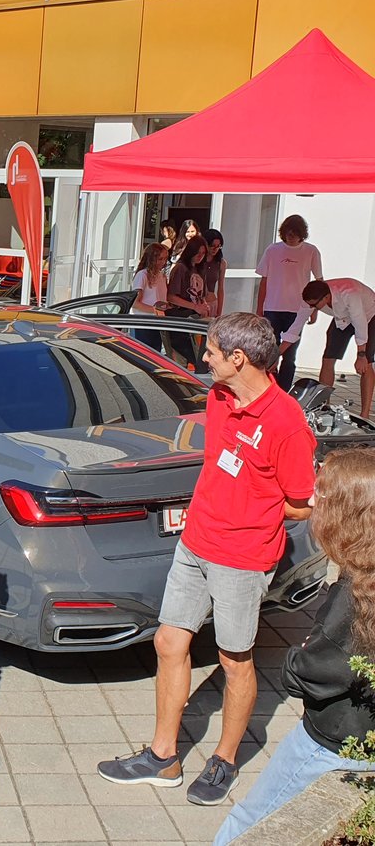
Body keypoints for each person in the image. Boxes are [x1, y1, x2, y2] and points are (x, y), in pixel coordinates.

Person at [98, 313, 316, 807]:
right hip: (196, 543)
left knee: (233, 659)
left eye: (213, 353)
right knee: (168, 640)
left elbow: (302, 502)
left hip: (243, 557)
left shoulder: (286, 424)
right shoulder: (218, 397)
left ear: (238, 359)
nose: (205, 359)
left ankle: (224, 759)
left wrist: (256, 503)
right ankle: (162, 758)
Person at [215, 449, 375, 844]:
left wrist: (293, 658)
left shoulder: (353, 596)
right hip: (360, 739)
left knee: (246, 824)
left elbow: (315, 671)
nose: (312, 502)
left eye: (322, 496)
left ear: (346, 514)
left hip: (328, 744)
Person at [279, 277, 375, 418]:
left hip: (370, 316)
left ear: (326, 297)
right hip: (342, 318)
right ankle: (323, 407)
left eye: (315, 306)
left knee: (366, 363)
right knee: (328, 359)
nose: (312, 308)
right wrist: (277, 355)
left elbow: (359, 322)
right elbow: (295, 327)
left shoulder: (350, 293)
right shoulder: (311, 298)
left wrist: (361, 354)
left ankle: (365, 414)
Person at [256, 214, 324, 391]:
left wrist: (315, 309)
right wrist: (259, 309)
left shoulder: (311, 251)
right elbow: (264, 280)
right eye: (287, 233)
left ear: (302, 234)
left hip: (298, 309)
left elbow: (319, 282)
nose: (290, 236)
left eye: (294, 233)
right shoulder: (272, 250)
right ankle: (268, 388)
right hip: (272, 307)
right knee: (269, 351)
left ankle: (284, 390)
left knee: (290, 355)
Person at [165, 235, 212, 371]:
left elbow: (201, 295)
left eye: (203, 253)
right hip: (181, 319)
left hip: (195, 317)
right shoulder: (180, 268)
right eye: (198, 252)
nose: (200, 256)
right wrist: (195, 307)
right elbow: (171, 297)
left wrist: (203, 306)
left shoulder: (199, 269)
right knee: (185, 360)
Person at [131, 242, 170, 354]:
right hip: (143, 322)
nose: (163, 262)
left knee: (155, 354)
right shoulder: (142, 275)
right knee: (143, 354)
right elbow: (135, 303)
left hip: (157, 321)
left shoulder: (162, 276)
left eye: (165, 259)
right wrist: (155, 310)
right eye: (160, 259)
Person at [203, 229, 227, 317]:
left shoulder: (221, 263)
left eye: (218, 246)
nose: (215, 249)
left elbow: (220, 289)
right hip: (198, 303)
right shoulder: (198, 260)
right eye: (212, 245)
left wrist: (219, 311)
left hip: (212, 302)